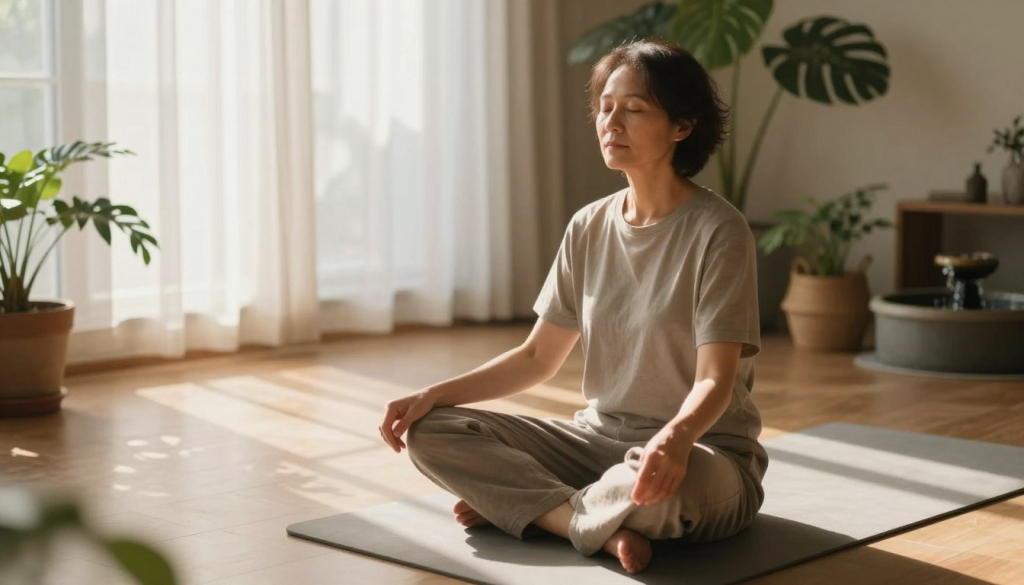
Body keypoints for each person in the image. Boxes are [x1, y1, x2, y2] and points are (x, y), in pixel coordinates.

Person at [378, 38, 768, 575]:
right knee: (431, 432)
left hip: (700, 454)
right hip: (593, 445)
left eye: (634, 110)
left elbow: (714, 379)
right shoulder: (588, 225)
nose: (612, 124)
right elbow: (537, 358)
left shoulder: (719, 231)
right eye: (605, 108)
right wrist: (431, 396)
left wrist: (675, 440)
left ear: (682, 126)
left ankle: (537, 509)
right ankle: (587, 523)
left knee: (666, 489)